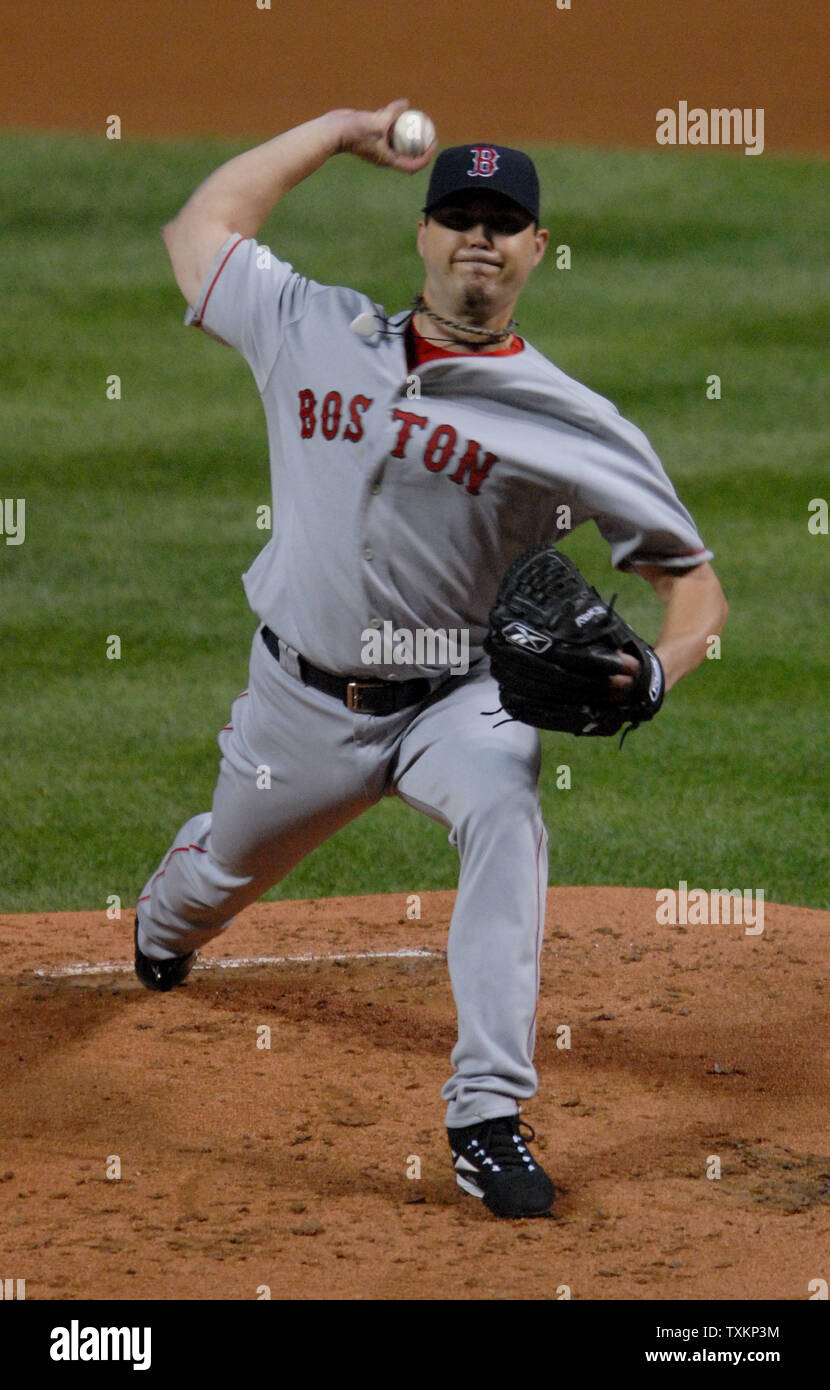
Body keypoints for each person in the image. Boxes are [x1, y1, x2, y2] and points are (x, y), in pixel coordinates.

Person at [135, 98, 728, 1220]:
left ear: (535, 251)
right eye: (457, 215)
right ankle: (164, 930)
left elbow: (694, 585)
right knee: (211, 884)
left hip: (458, 698)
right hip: (297, 705)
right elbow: (196, 232)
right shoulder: (310, 325)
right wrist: (326, 131)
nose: (478, 239)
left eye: (502, 223)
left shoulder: (575, 422)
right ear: (420, 233)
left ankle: (485, 1117)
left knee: (507, 809)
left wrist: (657, 669)